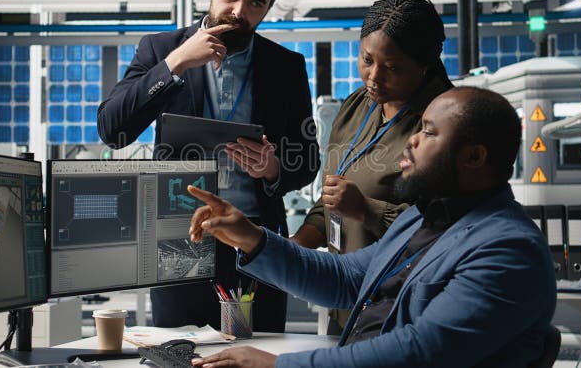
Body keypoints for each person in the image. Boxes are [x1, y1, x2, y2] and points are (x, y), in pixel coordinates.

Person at [187, 87, 557, 368]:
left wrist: (278, 365)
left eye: (428, 132)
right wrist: (251, 238)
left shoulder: (508, 250)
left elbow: (422, 351)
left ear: (474, 156)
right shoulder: (424, 216)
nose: (412, 139)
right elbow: (346, 279)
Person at [97, 0, 319, 332]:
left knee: (262, 352)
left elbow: (308, 161)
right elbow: (112, 129)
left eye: (255, 3)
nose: (239, 11)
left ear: (268, 7)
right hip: (179, 239)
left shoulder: (286, 67)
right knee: (179, 353)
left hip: (257, 242)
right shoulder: (160, 49)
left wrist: (274, 169)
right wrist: (176, 63)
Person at [289, 0, 453, 333]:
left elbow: (447, 230)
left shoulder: (443, 123)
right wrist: (294, 248)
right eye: (367, 59)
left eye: (392, 68)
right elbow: (331, 198)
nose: (374, 77)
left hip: (401, 312)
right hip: (346, 302)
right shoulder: (356, 107)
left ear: (424, 65)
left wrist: (367, 210)